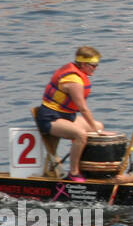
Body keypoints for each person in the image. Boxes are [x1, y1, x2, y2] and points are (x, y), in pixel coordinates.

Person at [36, 46, 106, 181]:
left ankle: (86, 167)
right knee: (80, 134)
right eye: (93, 66)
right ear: (83, 64)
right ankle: (73, 173)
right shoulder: (74, 81)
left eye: (97, 65)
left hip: (67, 116)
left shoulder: (79, 74)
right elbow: (83, 108)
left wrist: (97, 129)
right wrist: (97, 131)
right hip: (50, 119)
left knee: (99, 126)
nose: (96, 68)